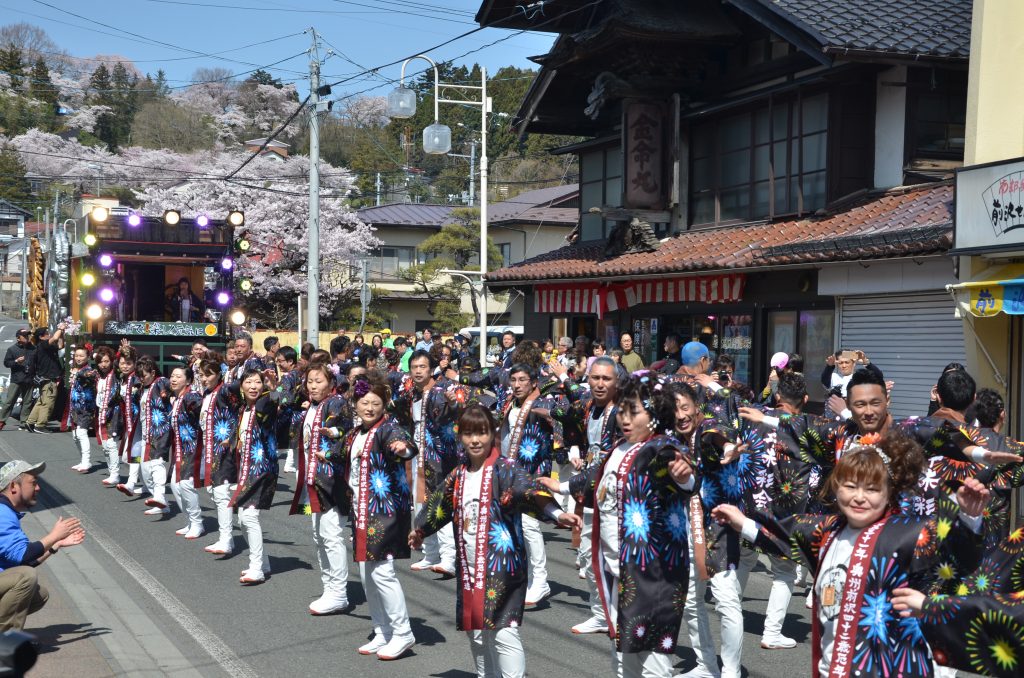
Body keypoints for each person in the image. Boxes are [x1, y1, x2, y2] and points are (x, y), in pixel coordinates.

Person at [711, 432, 989, 678]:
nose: (859, 497)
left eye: (871, 489)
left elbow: (957, 559)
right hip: (833, 662)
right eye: (850, 486)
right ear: (836, 486)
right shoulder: (825, 529)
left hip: (885, 664)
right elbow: (783, 536)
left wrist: (969, 519)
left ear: (889, 492)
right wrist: (741, 521)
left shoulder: (907, 533)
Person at [544, 374, 697, 677]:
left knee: (653, 659)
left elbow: (684, 473)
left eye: (634, 412)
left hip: (653, 573)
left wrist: (684, 476)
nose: (625, 419)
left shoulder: (660, 448)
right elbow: (595, 481)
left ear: (654, 416)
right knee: (624, 652)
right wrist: (560, 488)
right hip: (619, 571)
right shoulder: (619, 447)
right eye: (623, 412)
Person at [412, 404, 581, 678]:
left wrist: (558, 513)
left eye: (481, 432)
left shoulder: (507, 469)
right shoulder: (458, 474)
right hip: (469, 565)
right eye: (468, 434)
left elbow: (530, 491)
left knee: (503, 632)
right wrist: (419, 529)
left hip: (502, 567)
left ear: (492, 434)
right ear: (461, 437)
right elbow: (439, 504)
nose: (475, 440)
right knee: (477, 632)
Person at [342, 376, 418, 660]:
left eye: (376, 403)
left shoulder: (389, 429)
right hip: (362, 511)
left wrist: (404, 449)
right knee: (366, 574)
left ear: (384, 405)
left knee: (383, 572)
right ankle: (382, 629)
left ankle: (402, 632)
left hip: (385, 512)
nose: (370, 408)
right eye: (364, 402)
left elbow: (404, 445)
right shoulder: (355, 433)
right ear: (356, 404)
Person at [550, 355, 621, 635]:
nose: (600, 384)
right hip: (588, 492)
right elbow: (572, 404)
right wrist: (576, 450)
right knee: (589, 557)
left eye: (607, 379)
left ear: (617, 381)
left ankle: (621, 614)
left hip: (614, 496)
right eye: (595, 378)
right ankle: (600, 613)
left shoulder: (622, 412)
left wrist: (566, 485)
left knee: (615, 558)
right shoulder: (589, 404)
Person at [289, 362, 354, 615]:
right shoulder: (314, 407)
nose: (313, 385)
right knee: (319, 535)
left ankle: (339, 593)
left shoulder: (336, 403)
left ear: (331, 383)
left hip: (332, 480)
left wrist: (332, 442)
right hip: (315, 479)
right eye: (310, 381)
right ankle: (330, 588)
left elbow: (345, 433)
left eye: (319, 381)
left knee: (331, 536)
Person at [392, 350, 464, 576]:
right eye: (414, 367)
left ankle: (449, 558)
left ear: (431, 368)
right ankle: (431, 553)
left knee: (438, 505)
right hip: (417, 454)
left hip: (439, 458)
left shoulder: (442, 390)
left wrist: (452, 405)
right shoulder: (413, 392)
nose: (418, 371)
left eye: (422, 367)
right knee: (421, 504)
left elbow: (450, 414)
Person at [499, 364, 560, 607]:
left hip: (534, 473)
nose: (516, 384)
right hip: (510, 472)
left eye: (522, 379)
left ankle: (541, 581)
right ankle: (520, 578)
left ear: (533, 381)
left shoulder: (543, 402)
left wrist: (563, 379)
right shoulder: (508, 402)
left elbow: (565, 414)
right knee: (513, 527)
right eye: (513, 379)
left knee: (530, 526)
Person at [0, 461, 85, 631]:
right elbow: (25, 556)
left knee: (38, 595)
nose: (38, 488)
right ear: (14, 486)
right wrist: (54, 535)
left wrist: (56, 544)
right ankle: (7, 644)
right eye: (33, 483)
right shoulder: (2, 514)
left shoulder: (7, 512)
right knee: (25, 577)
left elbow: (23, 561)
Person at [229, 369, 279, 585]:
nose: (253, 386)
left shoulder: (264, 405)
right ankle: (263, 562)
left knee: (249, 517)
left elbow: (274, 402)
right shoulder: (243, 408)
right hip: (246, 470)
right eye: (248, 382)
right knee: (242, 519)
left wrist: (273, 388)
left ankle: (257, 567)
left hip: (263, 468)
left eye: (257, 382)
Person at [118, 356, 173, 515]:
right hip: (143, 433)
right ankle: (161, 501)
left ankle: (158, 496)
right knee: (143, 466)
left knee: (157, 464)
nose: (141, 378)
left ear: (153, 372)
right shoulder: (142, 388)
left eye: (144, 375)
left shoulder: (160, 382)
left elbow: (170, 386)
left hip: (160, 431)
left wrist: (168, 392)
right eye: (139, 376)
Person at [198, 356, 238, 556]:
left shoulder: (223, 391)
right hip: (210, 449)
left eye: (209, 374)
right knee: (214, 492)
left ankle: (226, 539)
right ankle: (225, 537)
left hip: (224, 449)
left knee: (221, 494)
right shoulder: (207, 393)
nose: (205, 378)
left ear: (219, 374)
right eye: (202, 375)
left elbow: (236, 389)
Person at [167, 365, 205, 539]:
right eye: (172, 376)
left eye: (178, 377)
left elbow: (203, 411)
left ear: (188, 380)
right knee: (175, 485)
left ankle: (197, 523)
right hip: (180, 449)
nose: (173, 379)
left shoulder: (191, 396)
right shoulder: (176, 399)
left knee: (186, 485)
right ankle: (190, 520)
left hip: (193, 448)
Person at [23, 324, 66, 433]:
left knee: (41, 401)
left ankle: (30, 422)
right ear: (41, 337)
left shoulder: (46, 347)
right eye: (47, 334)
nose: (49, 335)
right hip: (48, 377)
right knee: (48, 402)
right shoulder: (43, 345)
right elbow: (55, 338)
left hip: (44, 377)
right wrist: (60, 328)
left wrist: (62, 334)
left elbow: (60, 345)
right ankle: (40, 425)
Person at [64, 347, 98, 473]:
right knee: (75, 436)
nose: (78, 358)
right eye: (76, 355)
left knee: (82, 433)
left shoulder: (88, 370)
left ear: (88, 357)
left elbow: (88, 376)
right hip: (75, 407)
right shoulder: (76, 369)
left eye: (81, 356)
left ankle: (86, 461)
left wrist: (78, 374)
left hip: (86, 407)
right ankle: (83, 460)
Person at [94, 346, 124, 487]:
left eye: (106, 361)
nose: (103, 364)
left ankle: (115, 474)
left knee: (112, 445)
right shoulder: (98, 376)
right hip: (101, 413)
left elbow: (121, 366)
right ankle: (112, 471)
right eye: (101, 362)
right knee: (105, 446)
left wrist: (124, 351)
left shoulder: (115, 374)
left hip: (114, 413)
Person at [274, 347, 302, 474]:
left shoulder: (287, 377)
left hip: (289, 414)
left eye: (280, 361)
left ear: (290, 361)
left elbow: (285, 397)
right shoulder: (298, 374)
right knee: (295, 442)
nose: (278, 364)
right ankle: (290, 464)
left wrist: (279, 406)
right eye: (277, 361)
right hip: (299, 413)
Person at [0, 329, 35, 431]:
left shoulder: (33, 348)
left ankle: (24, 422)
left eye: (28, 335)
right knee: (10, 401)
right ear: (18, 338)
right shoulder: (12, 349)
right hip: (17, 379)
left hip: (29, 378)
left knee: (27, 402)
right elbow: (6, 363)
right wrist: (16, 361)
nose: (27, 337)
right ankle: (1, 420)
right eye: (24, 336)